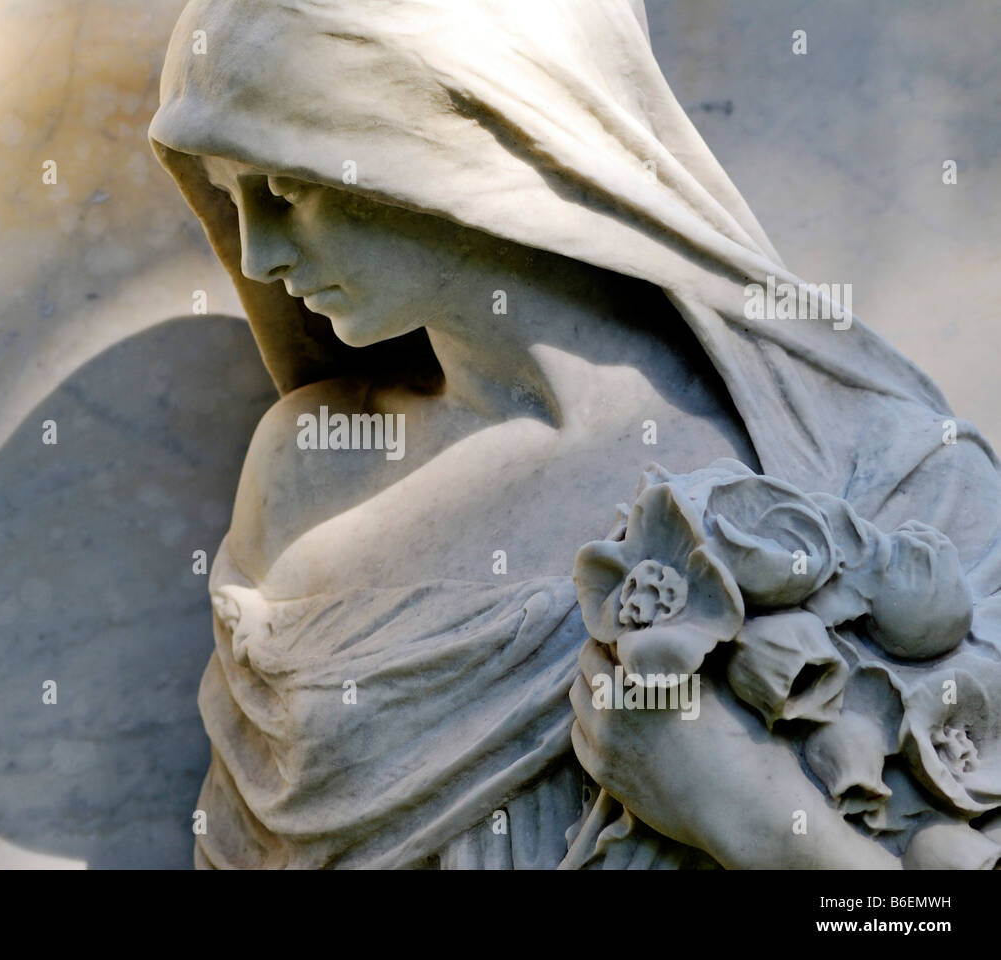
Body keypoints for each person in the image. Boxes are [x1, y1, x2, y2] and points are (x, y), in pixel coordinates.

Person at [148, 0, 1001, 868]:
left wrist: (748, 817)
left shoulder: (889, 484)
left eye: (288, 190)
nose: (256, 256)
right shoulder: (304, 476)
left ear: (470, 139)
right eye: (229, 197)